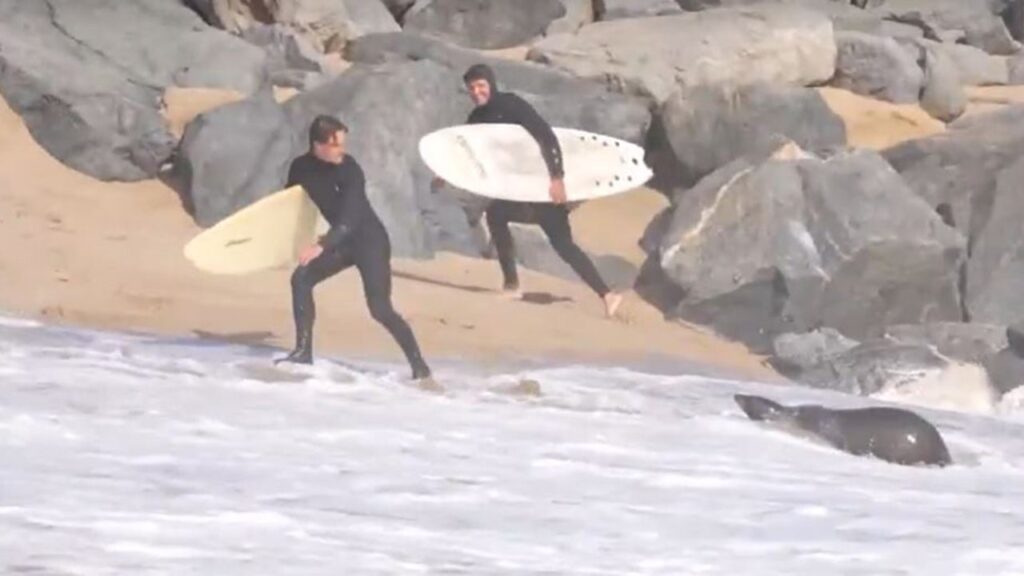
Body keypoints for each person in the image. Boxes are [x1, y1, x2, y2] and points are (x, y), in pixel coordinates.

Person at [435, 63, 623, 318]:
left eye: (481, 86)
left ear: (491, 84)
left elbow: (546, 136)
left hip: (541, 185)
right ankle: (513, 285)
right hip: (520, 188)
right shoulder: (477, 119)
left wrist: (557, 178)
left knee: (563, 245)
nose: (476, 92)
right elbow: (467, 152)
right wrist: (445, 174)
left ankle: (607, 294)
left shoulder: (511, 105)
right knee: (497, 215)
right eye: (471, 88)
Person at [276, 114, 433, 382]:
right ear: (318, 145)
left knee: (380, 309)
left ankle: (420, 367)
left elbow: (350, 216)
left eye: (342, 144)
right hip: (342, 241)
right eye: (336, 145)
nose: (342, 150)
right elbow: (291, 203)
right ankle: (303, 352)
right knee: (301, 279)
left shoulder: (350, 169)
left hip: (369, 240)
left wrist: (321, 245)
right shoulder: (300, 168)